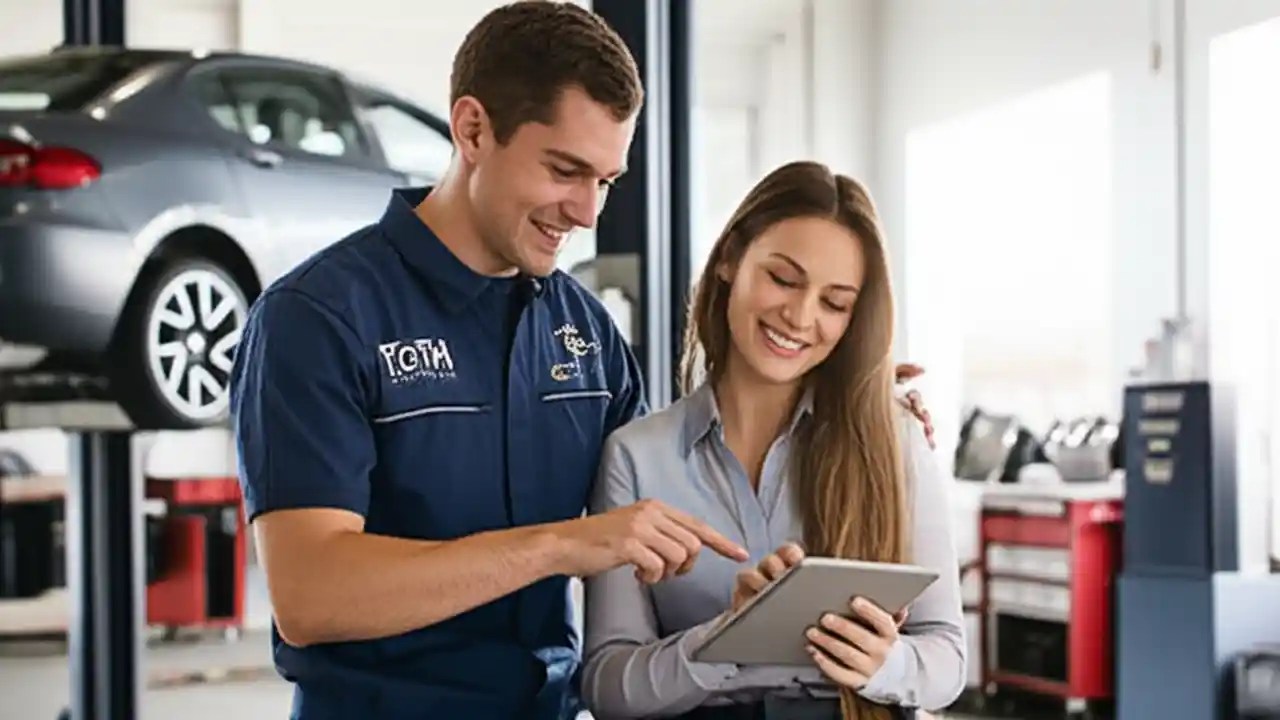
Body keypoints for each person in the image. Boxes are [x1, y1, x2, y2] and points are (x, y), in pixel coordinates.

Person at [230, 3, 934, 718]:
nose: (588, 212)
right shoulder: (317, 318)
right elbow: (311, 596)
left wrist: (852, 390)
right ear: (472, 128)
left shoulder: (586, 333)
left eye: (606, 180)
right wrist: (560, 546)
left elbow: (666, 478)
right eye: (566, 170)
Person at [580, 161, 966, 720]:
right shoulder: (636, 457)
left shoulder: (896, 441)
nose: (800, 316)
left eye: (834, 303)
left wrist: (886, 664)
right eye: (783, 279)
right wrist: (727, 640)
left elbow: (947, 657)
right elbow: (608, 686)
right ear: (731, 259)